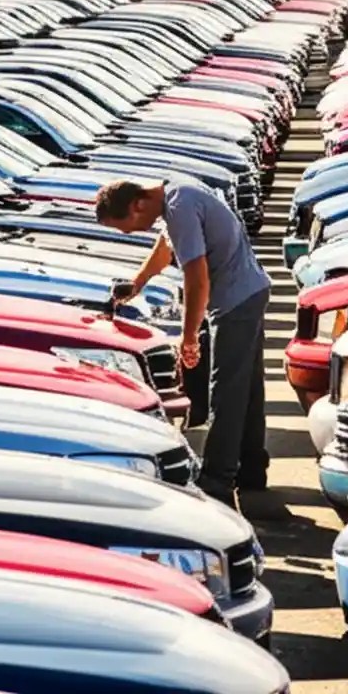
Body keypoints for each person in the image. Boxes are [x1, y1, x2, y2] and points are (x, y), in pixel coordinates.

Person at [95, 178, 271, 508]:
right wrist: (137, 284)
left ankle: (216, 482)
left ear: (138, 204)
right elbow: (166, 250)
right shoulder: (176, 196)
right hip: (250, 290)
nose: (129, 234)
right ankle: (251, 469)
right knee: (246, 387)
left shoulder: (179, 208)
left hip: (235, 301)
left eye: (127, 228)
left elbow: (196, 276)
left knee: (226, 392)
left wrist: (188, 337)